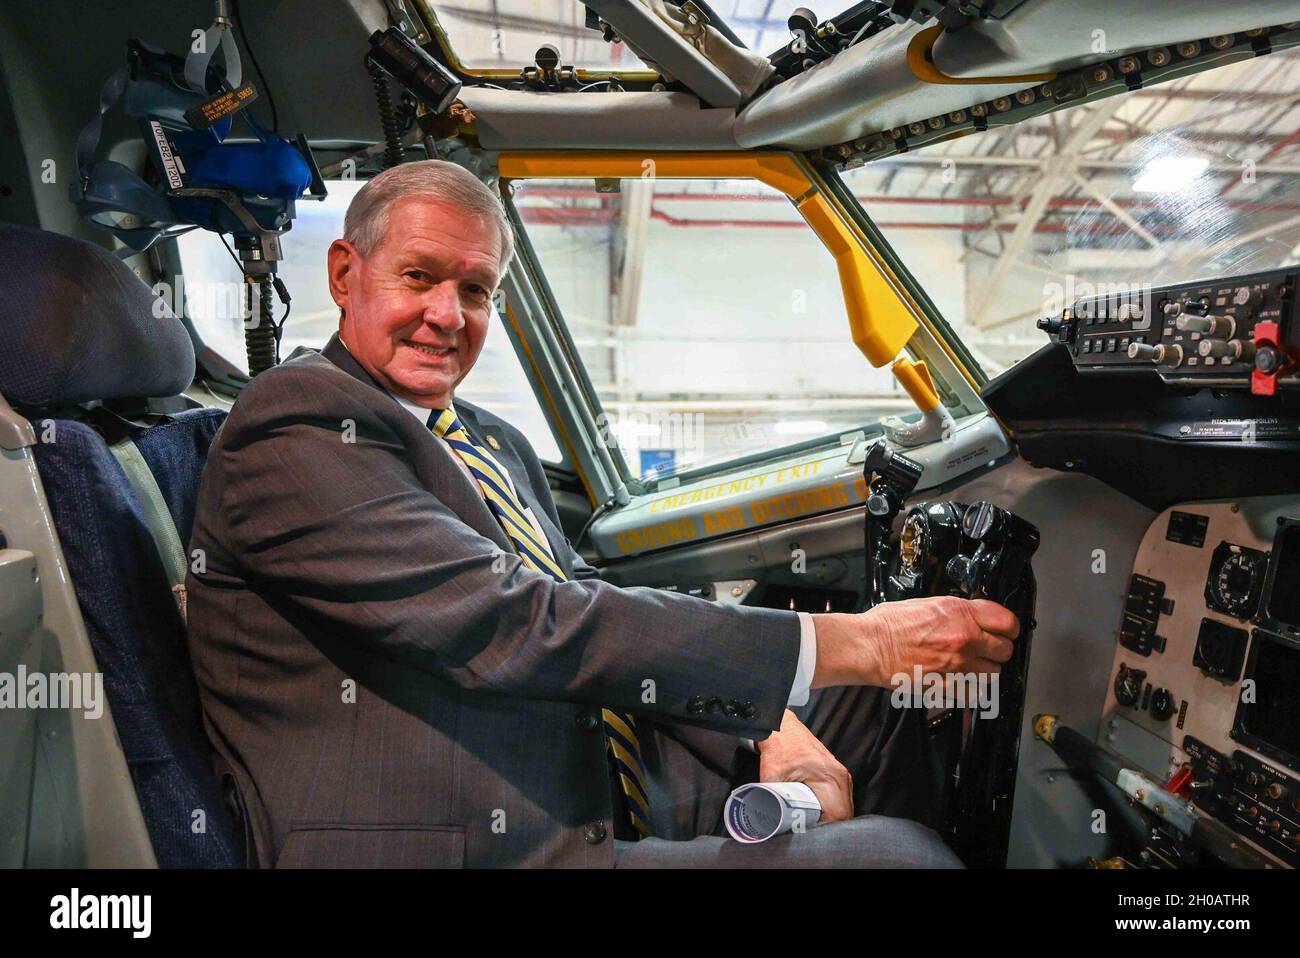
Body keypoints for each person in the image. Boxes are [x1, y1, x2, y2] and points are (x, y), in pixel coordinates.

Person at [185, 159, 1020, 868]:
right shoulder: (297, 424)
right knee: (895, 859)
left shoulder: (483, 436)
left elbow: (575, 584)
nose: (449, 315)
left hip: (580, 753)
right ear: (343, 274)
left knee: (878, 705)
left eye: (476, 289)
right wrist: (864, 639)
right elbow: (515, 623)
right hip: (465, 833)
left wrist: (775, 726)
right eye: (419, 277)